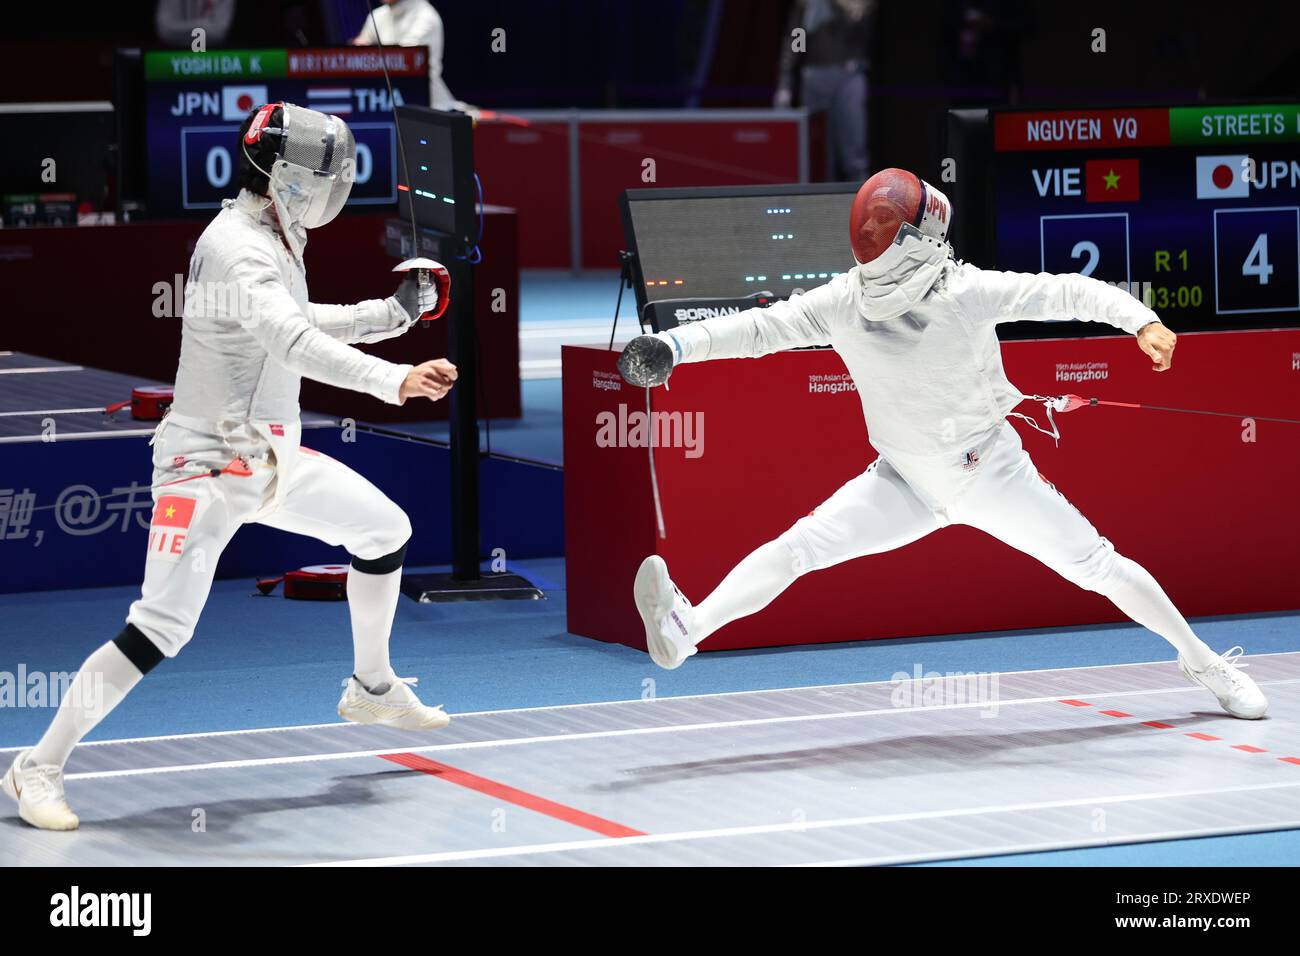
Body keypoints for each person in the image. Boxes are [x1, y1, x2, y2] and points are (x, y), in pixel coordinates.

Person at [618, 167, 1268, 724]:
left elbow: (1064, 289)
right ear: (912, 241)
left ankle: (1204, 664)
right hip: (904, 480)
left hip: (992, 475)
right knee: (800, 549)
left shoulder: (966, 291)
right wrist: (673, 346)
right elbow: (761, 327)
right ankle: (687, 629)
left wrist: (1142, 319)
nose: (876, 239)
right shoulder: (843, 302)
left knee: (1098, 567)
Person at [3, 103, 457, 831]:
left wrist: (393, 312)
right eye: (323, 175)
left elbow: (303, 317)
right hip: (206, 465)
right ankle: (36, 767)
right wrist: (391, 379)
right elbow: (293, 343)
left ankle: (371, 685)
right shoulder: (235, 248)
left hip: (271, 457)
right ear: (283, 176)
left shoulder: (277, 232)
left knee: (383, 531)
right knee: (160, 629)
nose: (333, 186)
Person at [775, 0, 875, 181]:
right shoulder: (807, 4)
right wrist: (785, 84)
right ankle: (819, 202)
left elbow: (856, 18)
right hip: (815, 78)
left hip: (849, 78)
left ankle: (862, 200)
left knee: (854, 153)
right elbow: (795, 41)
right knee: (817, 152)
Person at [351, 0, 456, 111]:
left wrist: (367, 55)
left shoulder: (425, 16)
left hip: (431, 107)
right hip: (385, 102)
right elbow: (359, 50)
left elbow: (403, 61)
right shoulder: (377, 15)